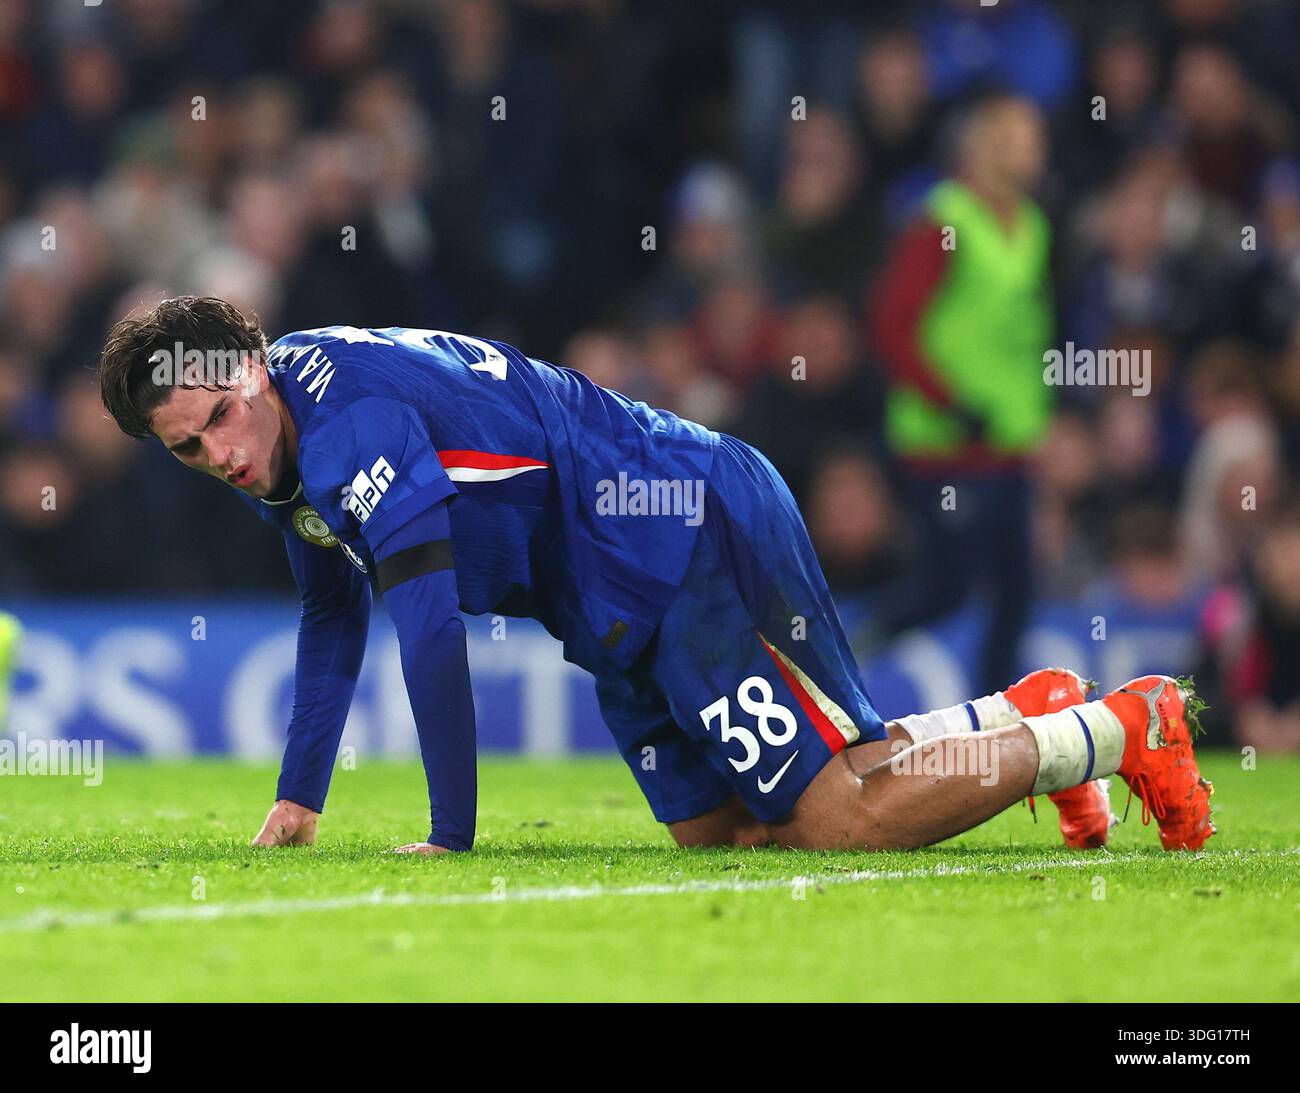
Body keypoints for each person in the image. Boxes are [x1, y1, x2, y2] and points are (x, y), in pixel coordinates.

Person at [96, 296, 1214, 854]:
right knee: (723, 835)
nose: (222, 454)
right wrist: (302, 794)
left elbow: (425, 625)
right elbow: (330, 608)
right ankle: (1021, 714)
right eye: (189, 447)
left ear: (250, 365)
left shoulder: (350, 428)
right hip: (602, 589)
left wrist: (450, 833)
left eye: (222, 419)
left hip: (676, 526)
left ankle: (1122, 725)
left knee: (840, 814)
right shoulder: (284, 434)